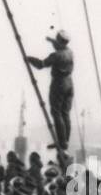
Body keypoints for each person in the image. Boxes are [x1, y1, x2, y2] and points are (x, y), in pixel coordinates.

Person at [26, 30, 74, 158]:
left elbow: (41, 64)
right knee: (65, 113)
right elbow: (61, 46)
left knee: (56, 112)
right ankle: (65, 143)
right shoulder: (69, 52)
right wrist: (52, 40)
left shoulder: (56, 56)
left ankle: (61, 142)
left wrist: (29, 59)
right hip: (69, 84)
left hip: (59, 85)